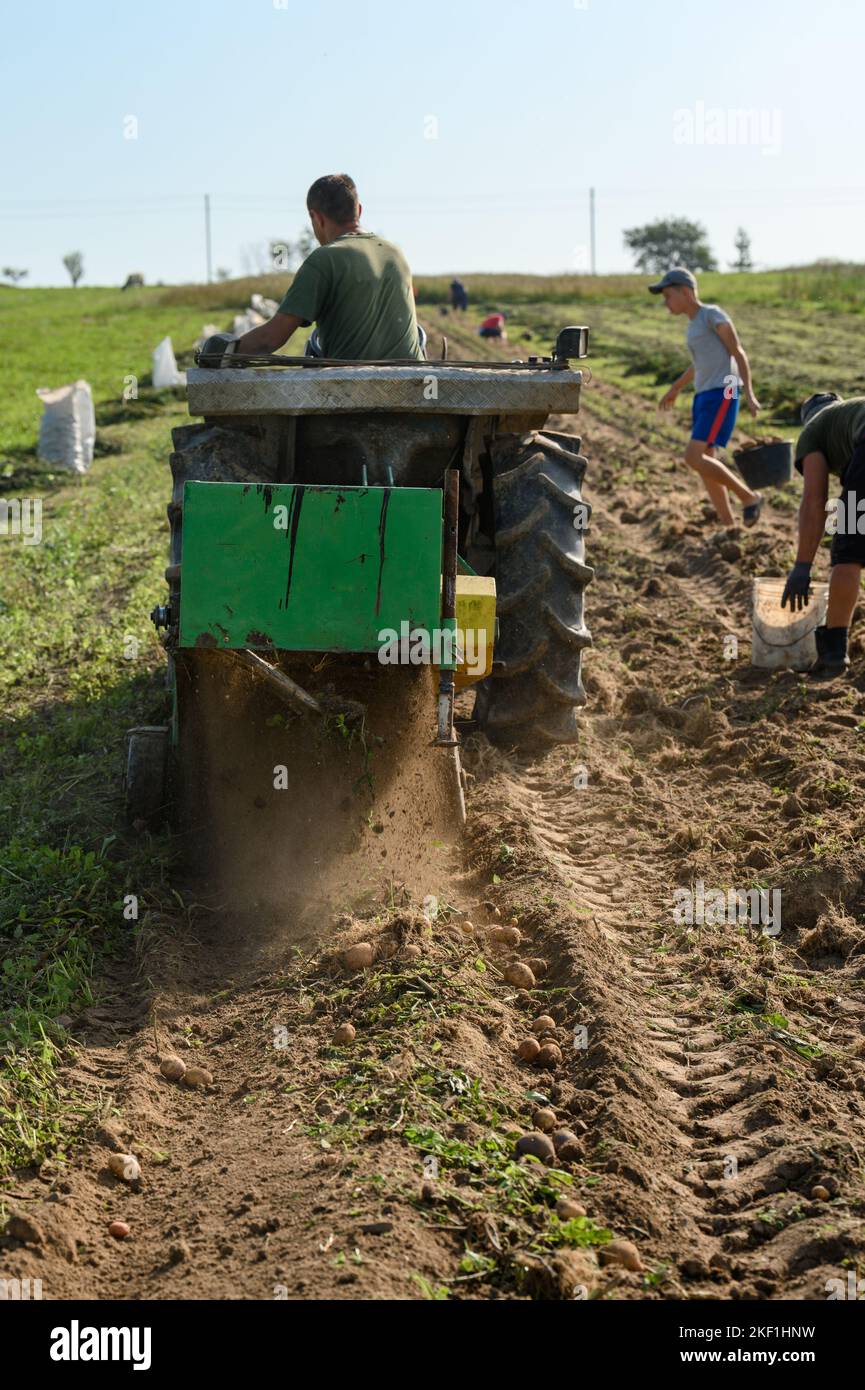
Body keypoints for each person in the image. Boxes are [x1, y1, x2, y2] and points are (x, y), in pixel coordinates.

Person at [233, 174, 424, 361]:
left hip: (356, 388)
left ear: (316, 218)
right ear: (358, 210)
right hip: (412, 384)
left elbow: (269, 339)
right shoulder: (395, 253)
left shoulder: (324, 259)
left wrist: (223, 350)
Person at [652, 268, 762, 528]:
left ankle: (749, 498)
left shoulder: (712, 315)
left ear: (686, 292)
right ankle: (728, 525)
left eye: (668, 295)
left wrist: (748, 392)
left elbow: (738, 352)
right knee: (705, 461)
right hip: (704, 394)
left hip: (724, 389)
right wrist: (676, 388)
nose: (665, 302)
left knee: (694, 457)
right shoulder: (693, 326)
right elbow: (698, 365)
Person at [781, 392, 865, 674]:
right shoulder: (848, 413)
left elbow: (815, 500)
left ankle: (833, 653)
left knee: (849, 553)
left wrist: (802, 566)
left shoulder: (812, 431)